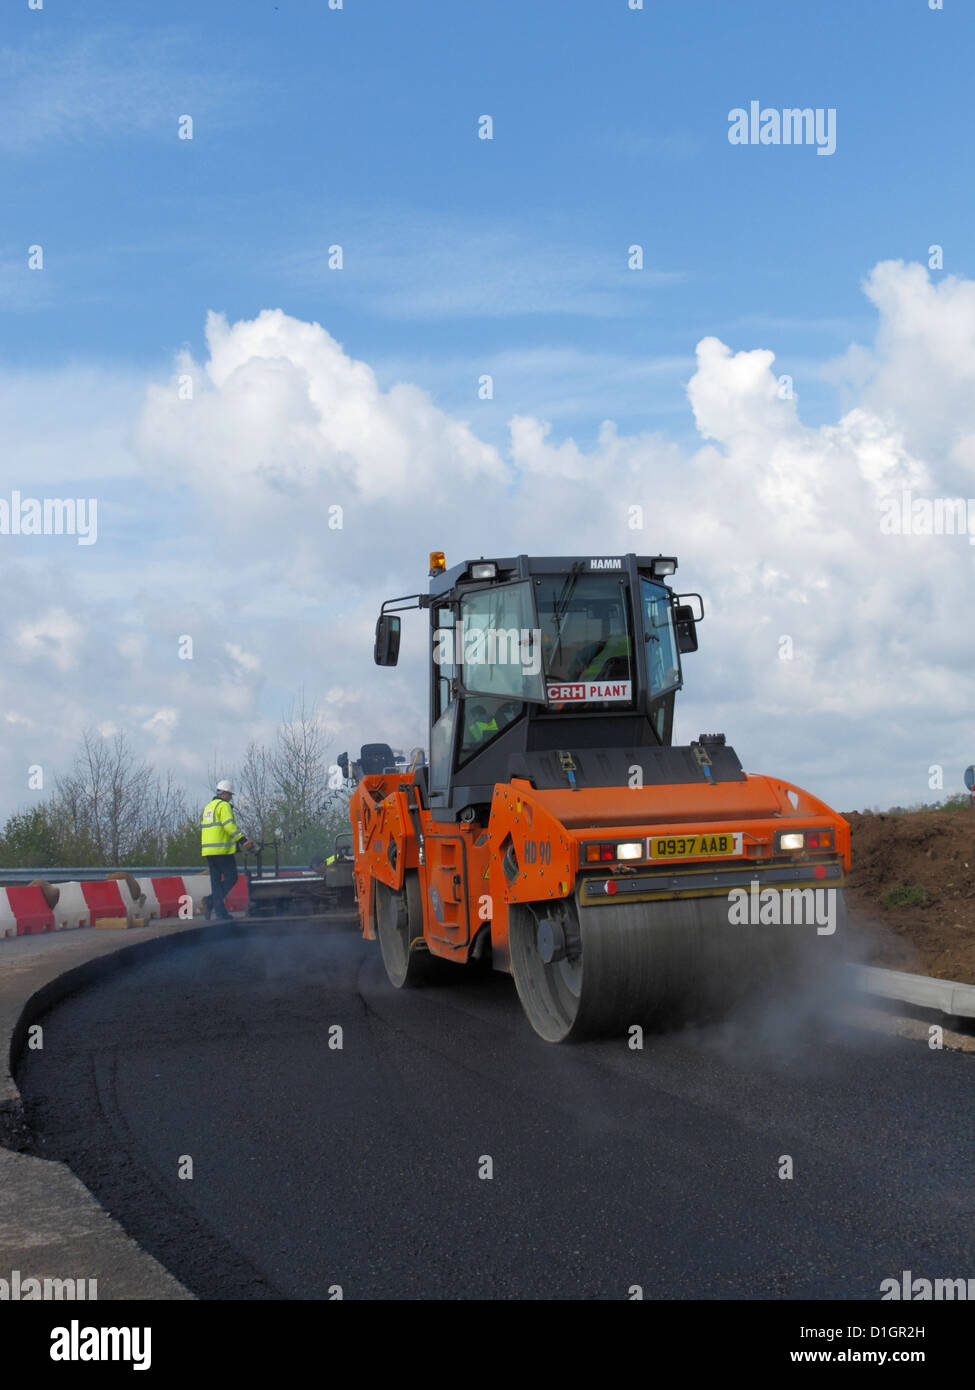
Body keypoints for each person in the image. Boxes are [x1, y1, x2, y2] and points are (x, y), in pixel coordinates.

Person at [201, 780, 255, 921]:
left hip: (208, 851)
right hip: (221, 850)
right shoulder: (224, 806)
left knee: (216, 882)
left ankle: (220, 912)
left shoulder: (209, 807)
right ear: (224, 794)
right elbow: (229, 826)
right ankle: (210, 901)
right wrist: (244, 841)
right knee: (232, 877)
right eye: (230, 795)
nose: (231, 797)